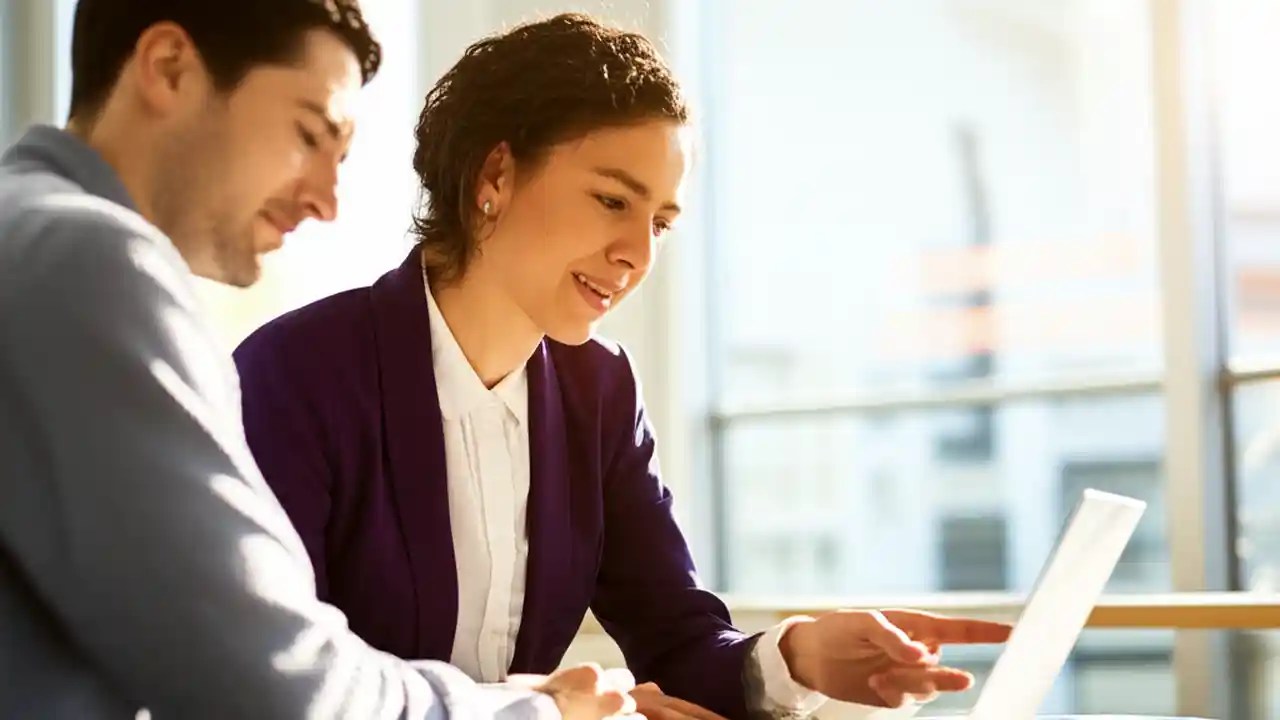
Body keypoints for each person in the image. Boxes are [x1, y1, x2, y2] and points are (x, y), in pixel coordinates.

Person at [233, 13, 1013, 720]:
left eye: (661, 222)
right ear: (494, 178)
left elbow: (676, 637)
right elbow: (276, 682)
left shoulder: (597, 391)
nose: (637, 255)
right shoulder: (295, 376)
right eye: (613, 201)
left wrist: (796, 656)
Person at [0, 1, 636, 718]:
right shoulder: (87, 264)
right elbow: (265, 682)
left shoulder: (25, 237)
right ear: (169, 68)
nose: (327, 203)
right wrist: (531, 712)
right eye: (309, 133)